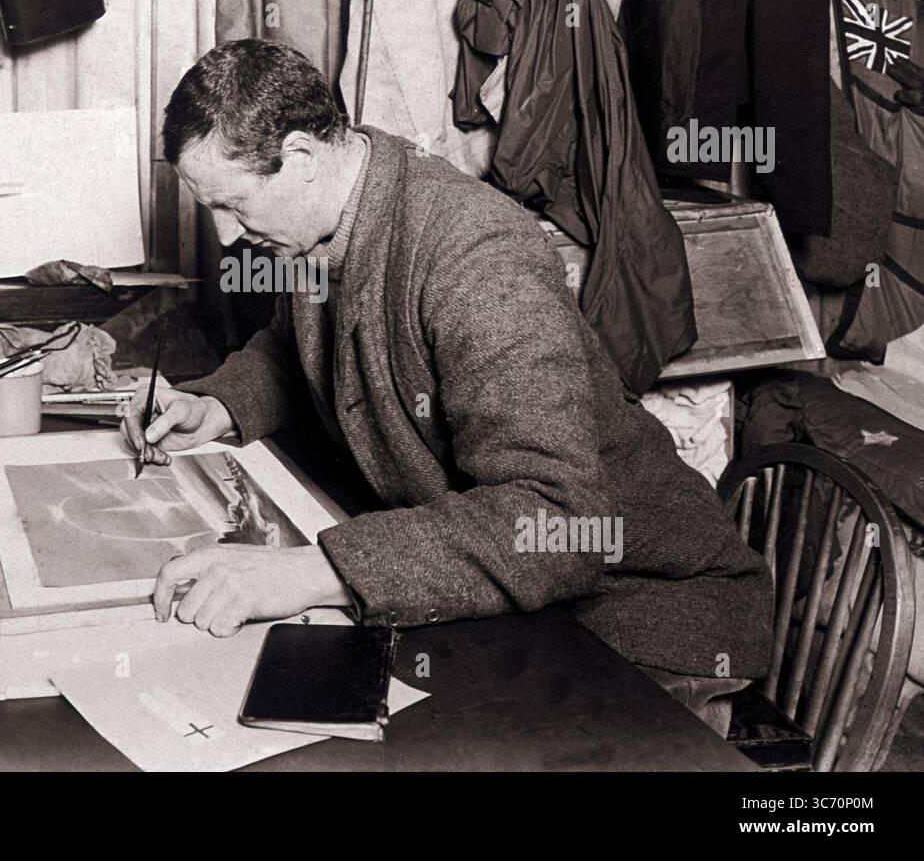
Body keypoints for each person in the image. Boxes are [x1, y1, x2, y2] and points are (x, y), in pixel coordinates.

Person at [120, 39, 773, 733]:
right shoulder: (326, 221)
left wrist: (309, 573)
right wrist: (217, 404)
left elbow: (551, 517)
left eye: (233, 204)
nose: (225, 236)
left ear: (304, 157)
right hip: (516, 588)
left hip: (635, 610)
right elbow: (296, 350)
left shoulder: (477, 257)